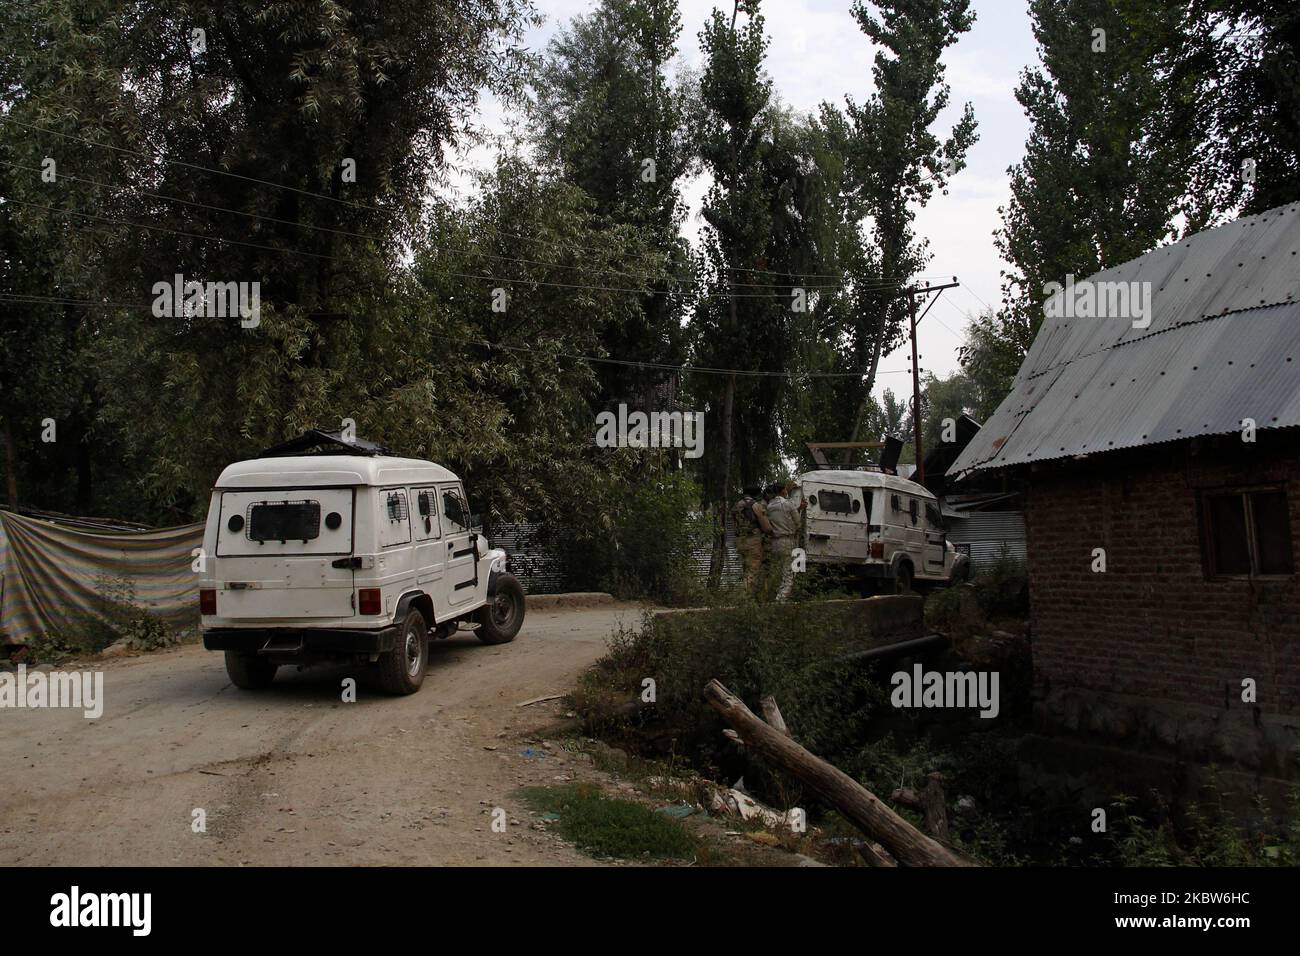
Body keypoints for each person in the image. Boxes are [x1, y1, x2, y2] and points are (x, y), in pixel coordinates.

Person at [764, 481, 804, 602]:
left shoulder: (769, 506)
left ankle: (777, 596)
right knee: (789, 573)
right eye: (786, 490)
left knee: (779, 572)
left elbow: (780, 518)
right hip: (787, 541)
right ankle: (780, 601)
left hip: (774, 542)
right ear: (783, 491)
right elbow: (798, 523)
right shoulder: (788, 504)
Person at [732, 484, 771, 593]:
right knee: (753, 570)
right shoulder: (755, 505)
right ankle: (746, 598)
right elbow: (766, 527)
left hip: (739, 540)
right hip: (752, 540)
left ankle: (746, 595)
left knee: (745, 568)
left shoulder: (737, 505)